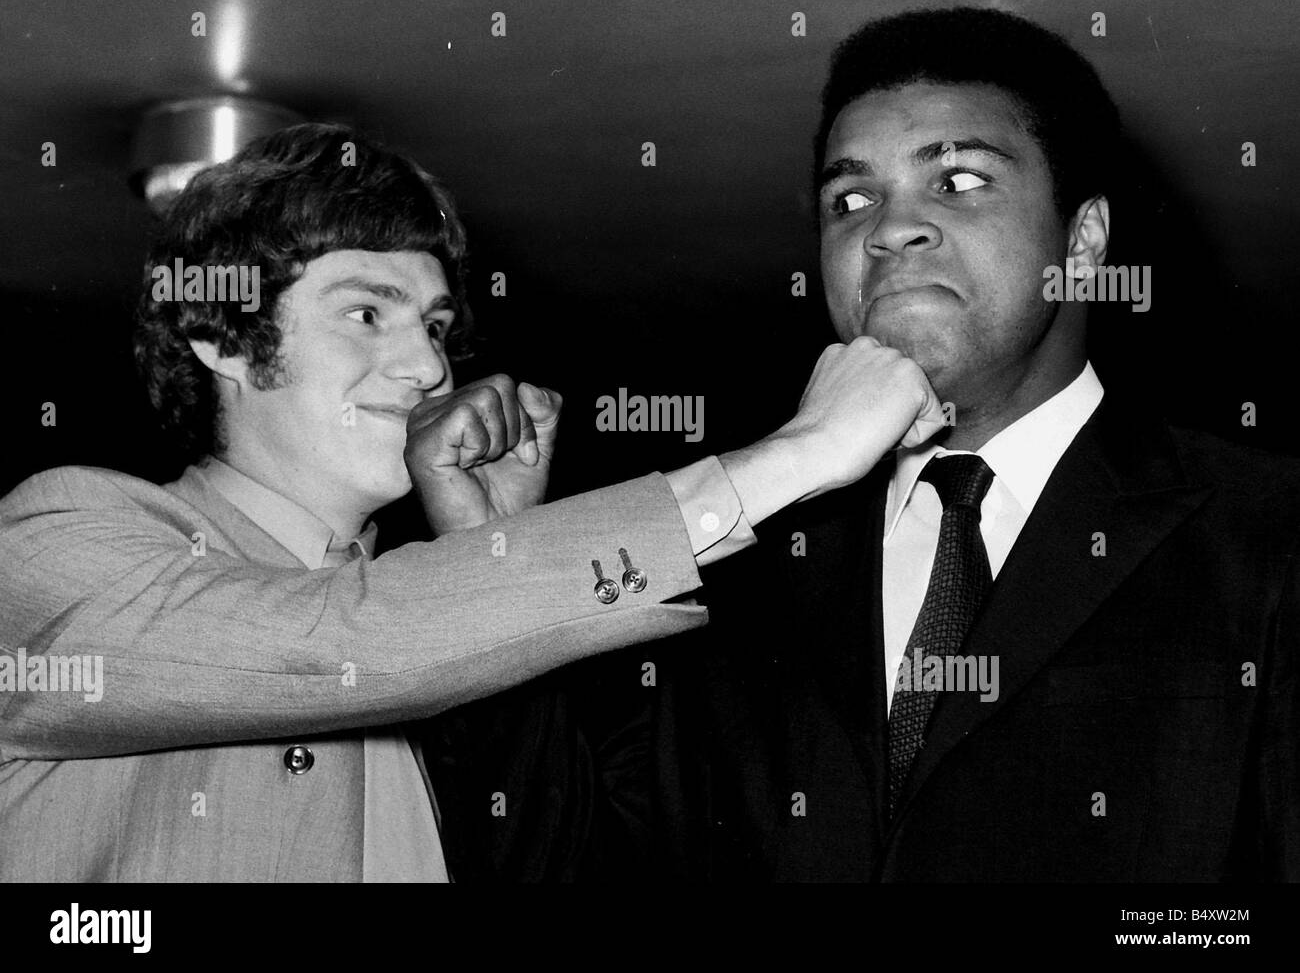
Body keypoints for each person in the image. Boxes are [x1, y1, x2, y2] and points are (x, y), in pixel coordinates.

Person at [0, 123, 943, 882]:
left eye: (436, 324)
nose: (428, 366)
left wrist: (492, 540)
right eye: (366, 312)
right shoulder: (56, 539)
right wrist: (789, 460)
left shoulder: (429, 616)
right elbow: (329, 647)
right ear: (227, 339)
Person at [667, 6, 1300, 881]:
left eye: (958, 180)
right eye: (851, 199)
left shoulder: (1268, 535)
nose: (887, 229)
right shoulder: (738, 561)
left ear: (1082, 245)